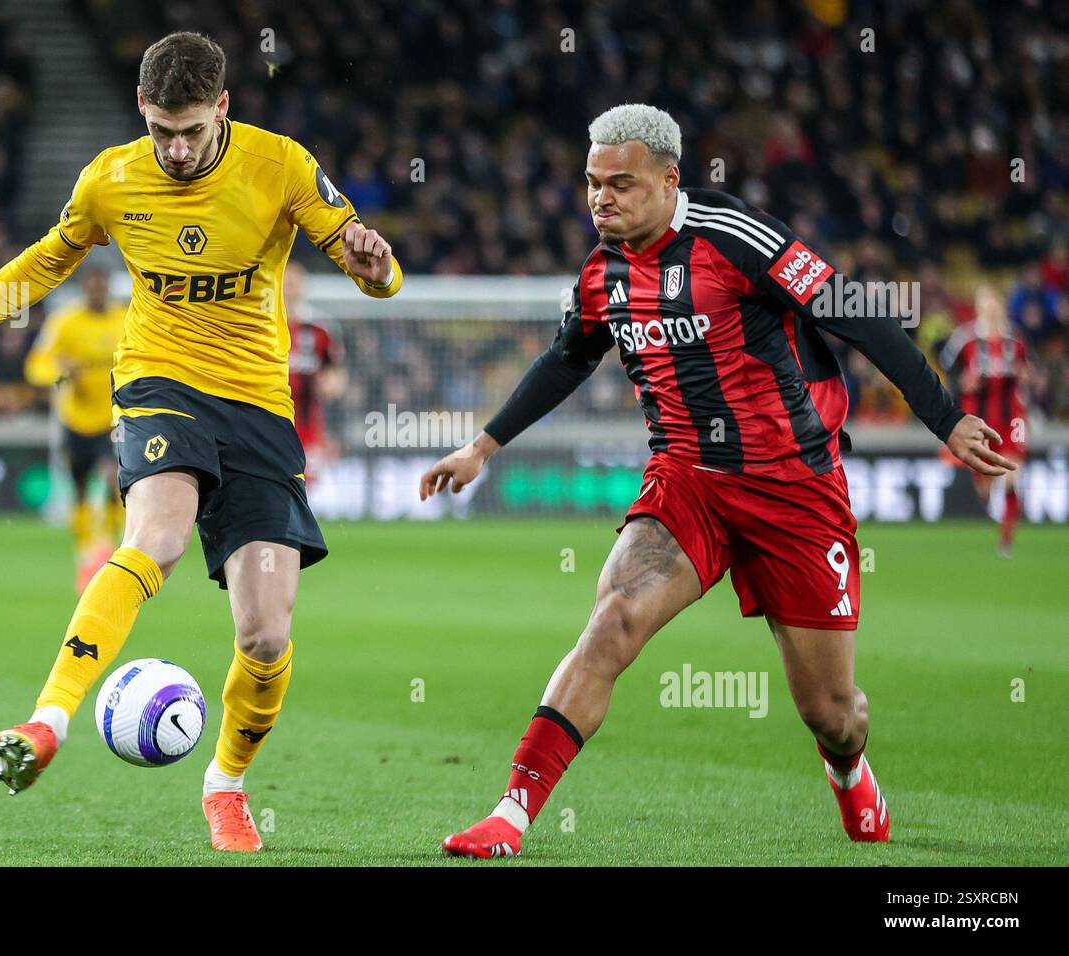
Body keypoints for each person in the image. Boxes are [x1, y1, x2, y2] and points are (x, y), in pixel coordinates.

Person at [420, 103, 1014, 859]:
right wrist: (483, 445)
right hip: (686, 481)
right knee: (611, 623)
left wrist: (946, 419)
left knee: (830, 710)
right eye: (593, 184)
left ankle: (849, 766)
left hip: (793, 486)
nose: (602, 199)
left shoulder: (734, 237)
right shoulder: (603, 273)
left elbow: (854, 314)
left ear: (670, 180)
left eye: (622, 185)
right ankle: (510, 815)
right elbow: (569, 357)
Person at [0, 31, 401, 853]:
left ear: (224, 109)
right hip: (159, 386)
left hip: (258, 407)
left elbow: (371, 271)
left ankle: (226, 786)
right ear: (142, 110)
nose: (175, 148)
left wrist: (376, 267)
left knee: (266, 637)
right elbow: (42, 263)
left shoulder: (279, 164)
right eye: (162, 129)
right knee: (156, 540)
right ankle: (48, 719)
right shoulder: (111, 176)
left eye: (193, 131)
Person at [23, 265, 126, 590]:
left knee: (113, 479)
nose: (98, 290)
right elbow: (36, 365)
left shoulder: (125, 319)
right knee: (80, 488)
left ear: (107, 287)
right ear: (85, 288)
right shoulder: (64, 322)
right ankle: (85, 552)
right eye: (93, 285)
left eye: (103, 283)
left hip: (114, 418)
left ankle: (108, 549)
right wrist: (62, 374)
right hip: (76, 420)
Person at [940, 285, 1030, 556]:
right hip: (977, 417)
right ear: (978, 307)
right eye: (985, 302)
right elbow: (947, 372)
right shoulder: (964, 339)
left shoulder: (1015, 342)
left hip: (1011, 415)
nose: (990, 307)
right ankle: (991, 506)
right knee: (984, 481)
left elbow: (1027, 372)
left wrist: (1027, 379)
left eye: (994, 302)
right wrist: (962, 385)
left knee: (1014, 474)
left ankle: (1006, 538)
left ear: (1001, 306)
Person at [284, 261, 345, 485]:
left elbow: (336, 374)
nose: (290, 288)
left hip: (308, 424)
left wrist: (332, 384)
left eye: (295, 282)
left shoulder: (320, 329)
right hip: (268, 419)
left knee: (305, 486)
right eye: (286, 281)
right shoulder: (261, 325)